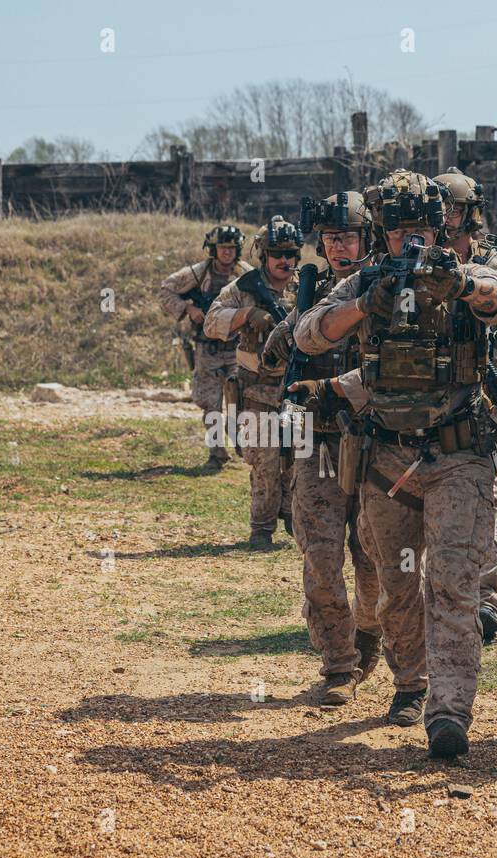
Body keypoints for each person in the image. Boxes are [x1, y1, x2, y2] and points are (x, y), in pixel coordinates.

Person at [293, 170, 497, 758]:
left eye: (423, 228)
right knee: (397, 587)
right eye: (399, 233)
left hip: (458, 453)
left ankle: (450, 711)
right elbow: (308, 337)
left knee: (453, 583)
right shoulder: (365, 282)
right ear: (382, 235)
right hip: (384, 459)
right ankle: (410, 684)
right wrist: (366, 303)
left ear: (441, 224)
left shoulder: (469, 273)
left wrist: (462, 284)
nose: (412, 241)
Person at [260, 192, 381, 705]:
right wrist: (286, 332)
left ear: (366, 238)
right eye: (330, 238)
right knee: (321, 558)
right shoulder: (314, 295)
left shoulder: (384, 287)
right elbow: (274, 361)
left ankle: (370, 640)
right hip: (318, 446)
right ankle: (337, 663)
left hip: (375, 443)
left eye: (348, 236)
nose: (338, 246)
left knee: (375, 561)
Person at [435, 167, 497, 644]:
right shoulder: (419, 261)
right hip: (433, 402)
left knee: (488, 496)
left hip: (486, 402)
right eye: (439, 211)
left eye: (453, 211)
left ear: (470, 214)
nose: (446, 220)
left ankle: (486, 599)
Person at [204, 216, 301, 547]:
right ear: (264, 255)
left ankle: (292, 517)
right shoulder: (243, 288)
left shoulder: (304, 286)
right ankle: (261, 528)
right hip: (256, 390)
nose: (284, 261)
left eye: (290, 254)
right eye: (277, 254)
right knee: (264, 462)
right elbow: (211, 322)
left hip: (297, 389)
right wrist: (246, 316)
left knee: (297, 460)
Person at [158, 225, 251, 471]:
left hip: (237, 348)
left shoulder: (246, 275)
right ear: (213, 249)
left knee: (240, 402)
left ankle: (243, 449)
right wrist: (189, 309)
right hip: (207, 349)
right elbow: (166, 290)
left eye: (232, 248)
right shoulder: (198, 274)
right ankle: (217, 454)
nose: (227, 253)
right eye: (223, 248)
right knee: (210, 404)